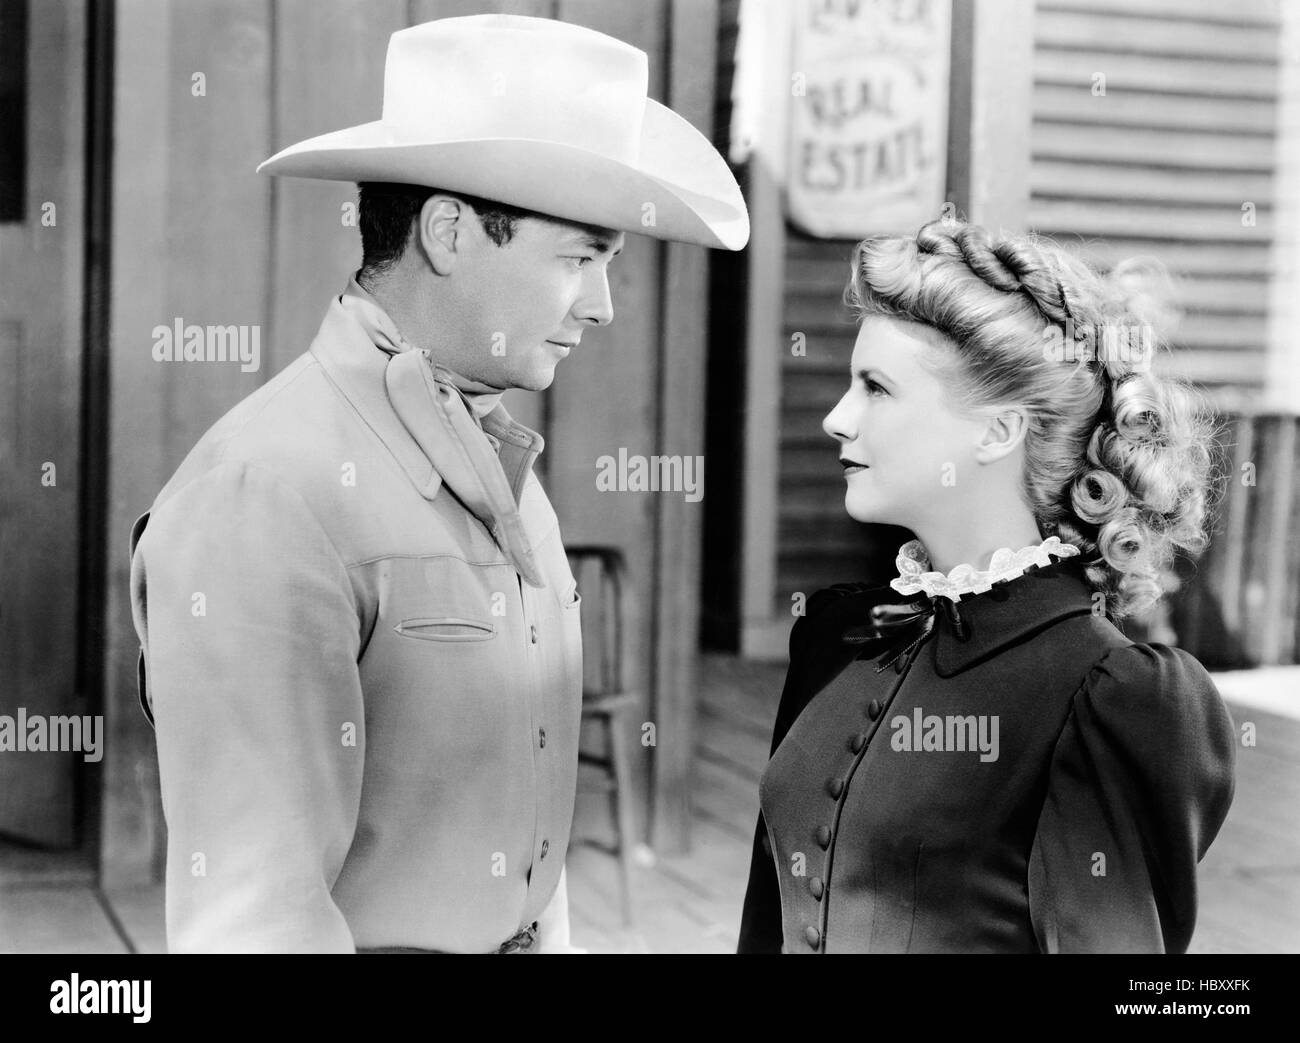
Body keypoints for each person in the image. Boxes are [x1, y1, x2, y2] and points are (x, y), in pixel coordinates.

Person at [128, 14, 748, 953]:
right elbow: (252, 921)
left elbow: (530, 852)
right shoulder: (261, 493)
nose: (604, 304)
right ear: (450, 231)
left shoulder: (503, 464)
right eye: (580, 258)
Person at [737, 219, 1235, 954]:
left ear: (998, 431)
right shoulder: (842, 632)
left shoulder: (1113, 695)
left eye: (876, 388)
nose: (836, 418)